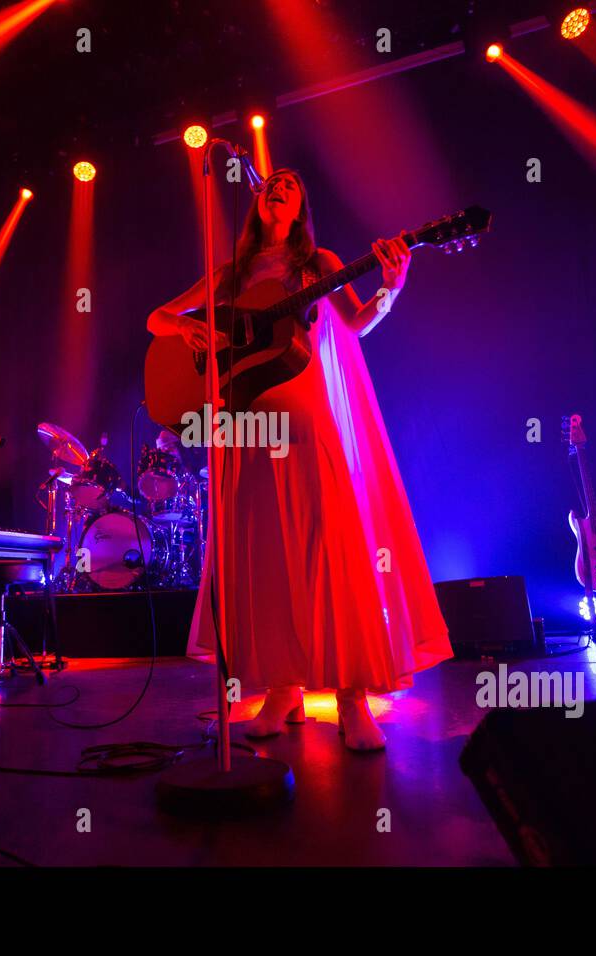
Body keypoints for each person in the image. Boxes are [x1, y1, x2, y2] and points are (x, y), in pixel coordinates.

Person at [147, 169, 452, 750]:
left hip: (306, 419)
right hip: (243, 428)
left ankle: (351, 696)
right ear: (257, 202)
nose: (276, 186)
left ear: (300, 204)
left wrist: (393, 283)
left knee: (326, 545)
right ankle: (280, 690)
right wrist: (189, 329)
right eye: (271, 182)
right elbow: (155, 318)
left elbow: (358, 324)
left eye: (289, 183)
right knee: (263, 555)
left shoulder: (318, 263)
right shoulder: (231, 274)